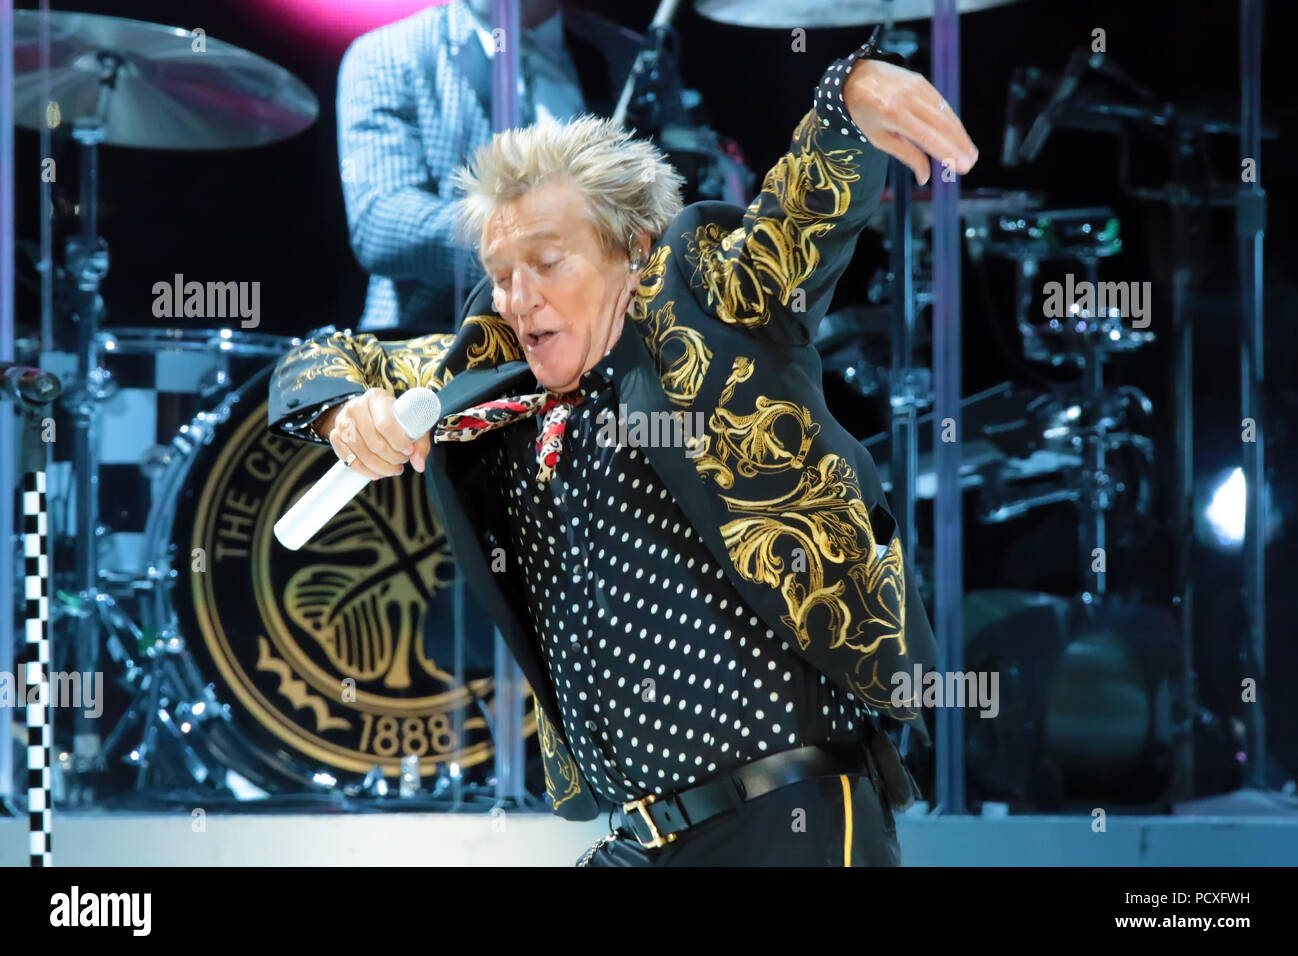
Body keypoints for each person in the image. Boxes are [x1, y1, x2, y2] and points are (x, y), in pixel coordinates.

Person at [270, 32, 977, 865]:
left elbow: (796, 221)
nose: (517, 295)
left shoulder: (710, 308)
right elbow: (318, 356)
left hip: (789, 818)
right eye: (500, 273)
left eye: (546, 261)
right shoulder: (499, 386)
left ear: (633, 252)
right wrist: (344, 409)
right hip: (644, 839)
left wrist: (847, 97)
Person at [337, 0, 642, 334]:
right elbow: (380, 224)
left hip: (603, 349)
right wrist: (540, 247)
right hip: (434, 350)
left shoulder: (632, 57)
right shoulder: (388, 53)